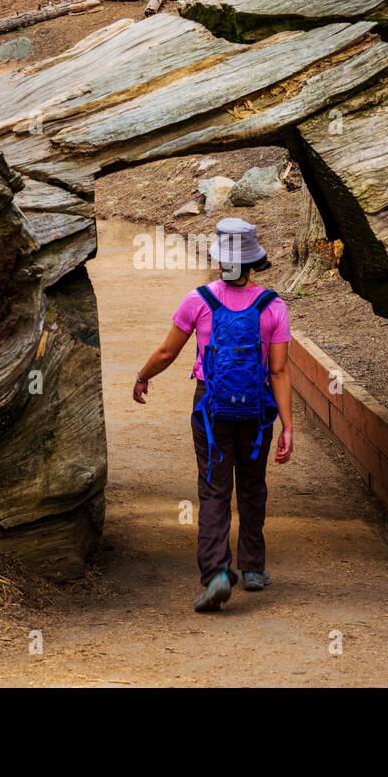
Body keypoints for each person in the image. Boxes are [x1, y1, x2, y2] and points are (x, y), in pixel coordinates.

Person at [133, 217, 294, 613]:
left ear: (220, 259)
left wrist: (142, 376)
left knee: (214, 489)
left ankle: (217, 573)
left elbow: (167, 353)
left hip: (211, 408)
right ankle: (253, 568)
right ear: (254, 261)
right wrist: (288, 425)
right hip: (257, 411)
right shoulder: (273, 306)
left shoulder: (199, 300)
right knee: (253, 485)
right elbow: (278, 370)